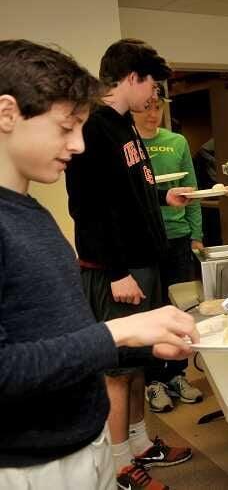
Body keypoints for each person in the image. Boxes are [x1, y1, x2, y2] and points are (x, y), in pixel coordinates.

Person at [0, 39, 199, 490]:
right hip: (33, 465)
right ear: (7, 113)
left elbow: (60, 340)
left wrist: (142, 346)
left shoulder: (30, 211)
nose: (77, 143)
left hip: (82, 444)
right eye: (66, 126)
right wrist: (120, 331)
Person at [65, 39, 194, 487]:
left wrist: (163, 196)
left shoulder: (125, 126)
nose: (153, 98)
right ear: (131, 78)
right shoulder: (94, 128)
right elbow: (87, 208)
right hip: (114, 270)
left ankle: (140, 444)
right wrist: (117, 271)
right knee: (117, 372)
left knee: (138, 363)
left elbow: (129, 191)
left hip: (141, 263)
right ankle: (121, 465)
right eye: (151, 87)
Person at [132, 88, 204, 413]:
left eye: (157, 107)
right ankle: (153, 382)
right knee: (150, 312)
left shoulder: (177, 142)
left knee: (178, 311)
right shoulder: (128, 145)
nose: (152, 114)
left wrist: (196, 235)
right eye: (145, 107)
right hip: (144, 240)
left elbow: (192, 191)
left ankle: (177, 375)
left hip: (178, 237)